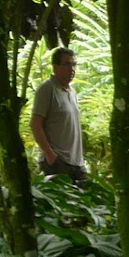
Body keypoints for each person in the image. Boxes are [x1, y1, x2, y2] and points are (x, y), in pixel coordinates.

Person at [30, 48, 86, 180]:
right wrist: (50, 155)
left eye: (73, 64)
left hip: (76, 163)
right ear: (55, 67)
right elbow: (35, 124)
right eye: (66, 64)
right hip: (56, 162)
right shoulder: (47, 89)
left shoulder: (72, 92)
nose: (71, 69)